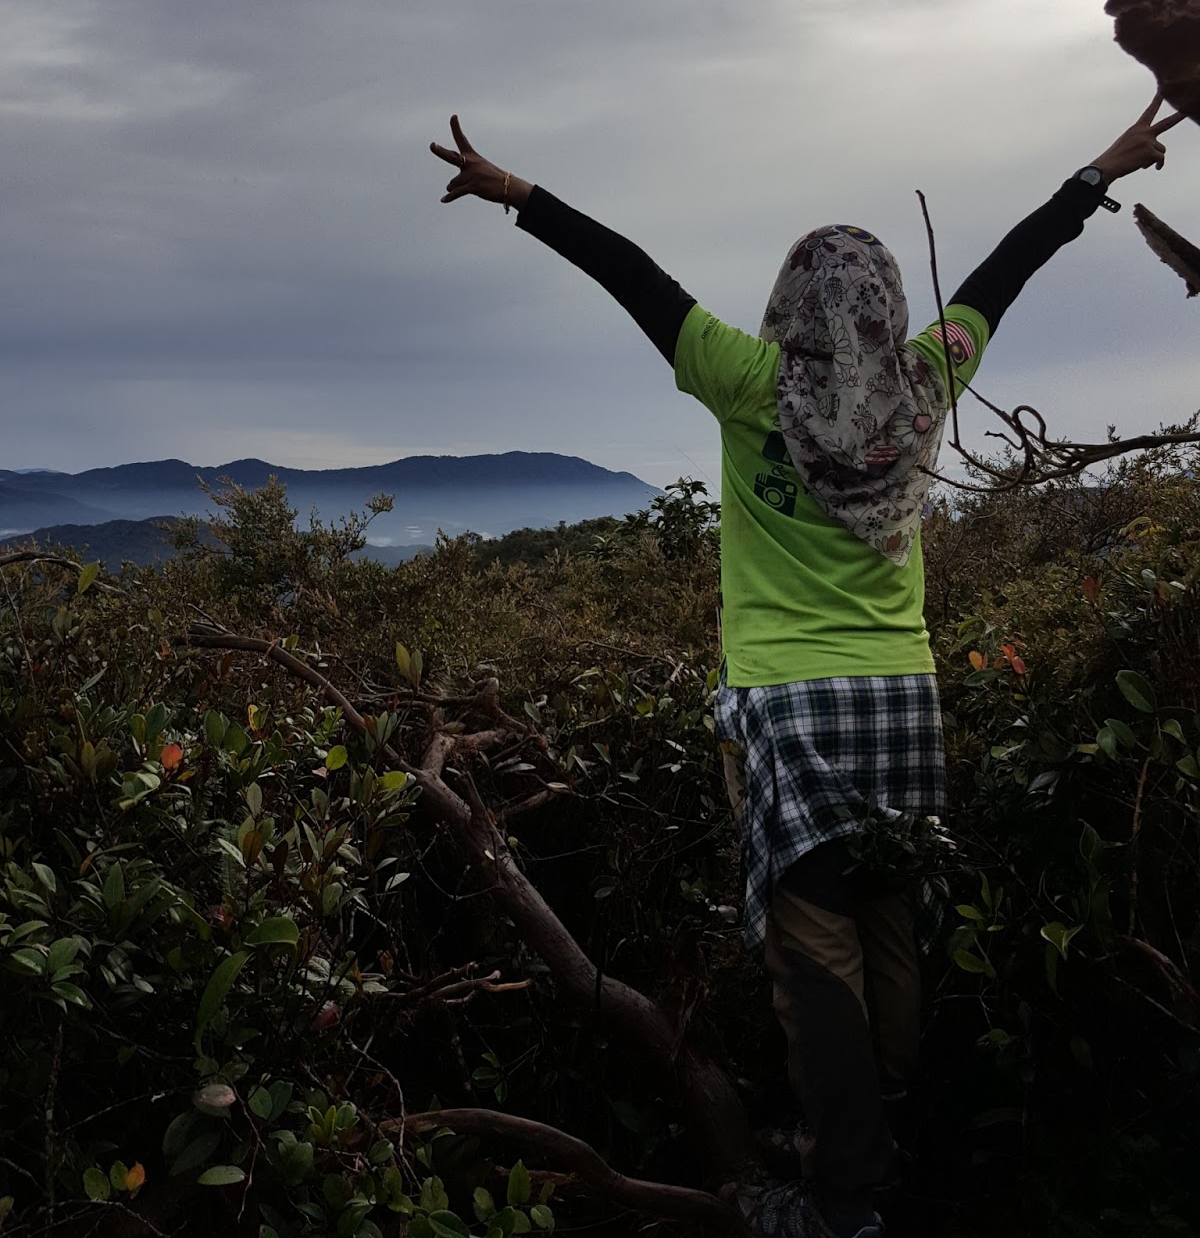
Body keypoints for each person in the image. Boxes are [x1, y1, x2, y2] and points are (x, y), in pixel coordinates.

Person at [430, 94, 1184, 1238]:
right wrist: (1096, 172)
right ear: (888, 309)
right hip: (904, 699)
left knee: (813, 949)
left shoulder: (747, 381)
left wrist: (521, 196)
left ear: (792, 301)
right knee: (891, 921)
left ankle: (842, 1201)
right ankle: (867, 1128)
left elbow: (635, 278)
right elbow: (1006, 270)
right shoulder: (929, 382)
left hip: (791, 707)